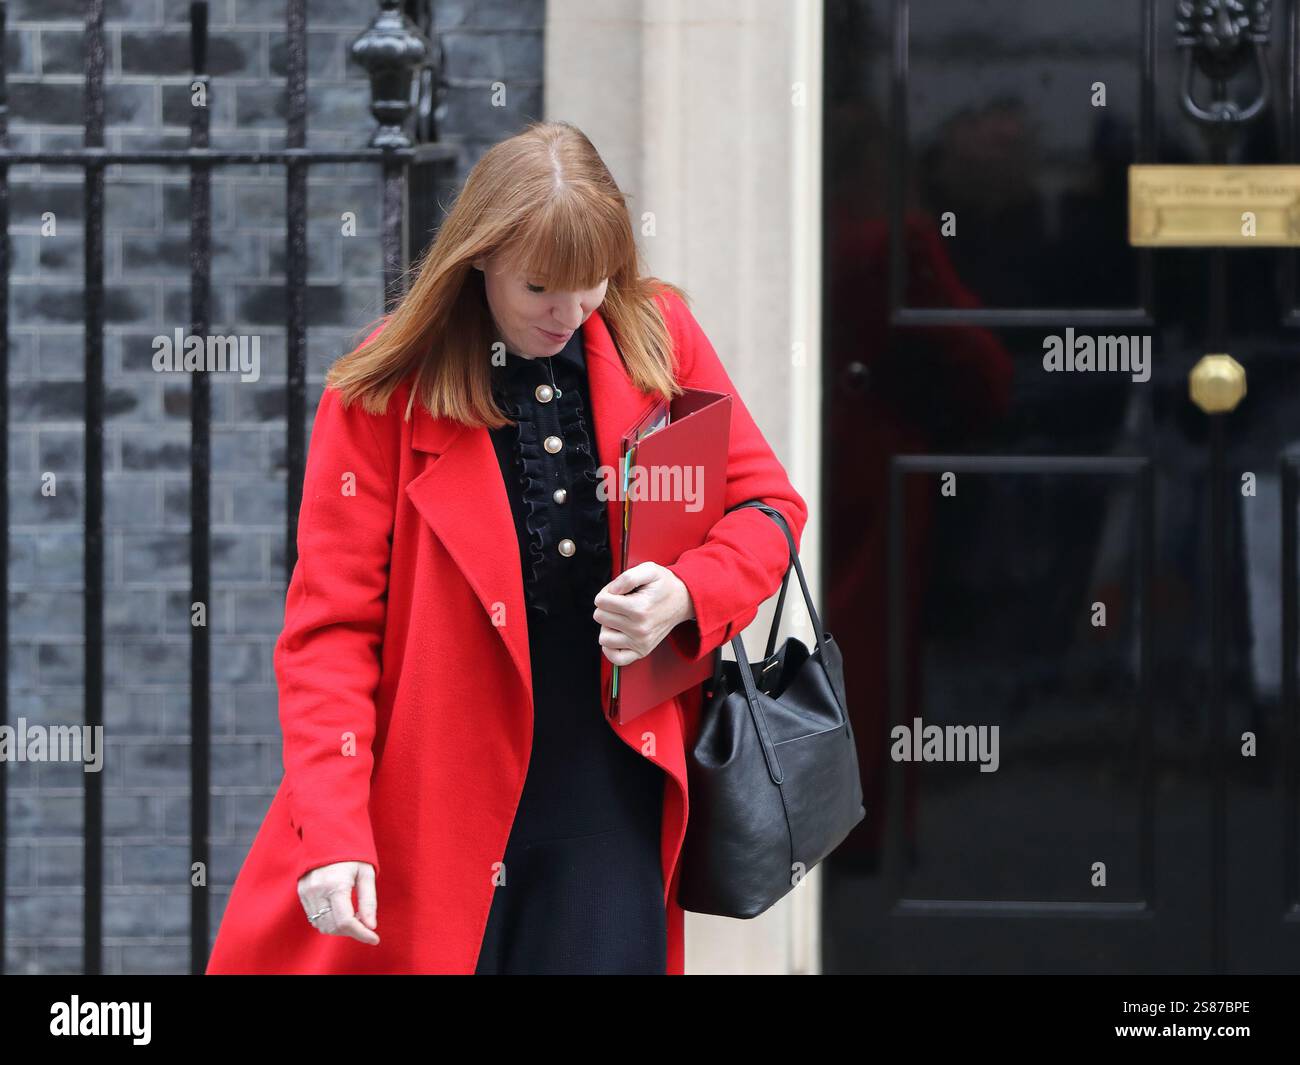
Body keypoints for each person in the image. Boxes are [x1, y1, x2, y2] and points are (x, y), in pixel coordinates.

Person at [205, 119, 808, 975]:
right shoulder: (383, 392)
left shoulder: (656, 333)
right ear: (479, 258)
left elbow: (767, 504)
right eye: (540, 288)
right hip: (431, 804)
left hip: (612, 788)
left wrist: (688, 594)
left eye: (591, 282)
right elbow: (329, 632)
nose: (570, 313)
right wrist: (334, 830)